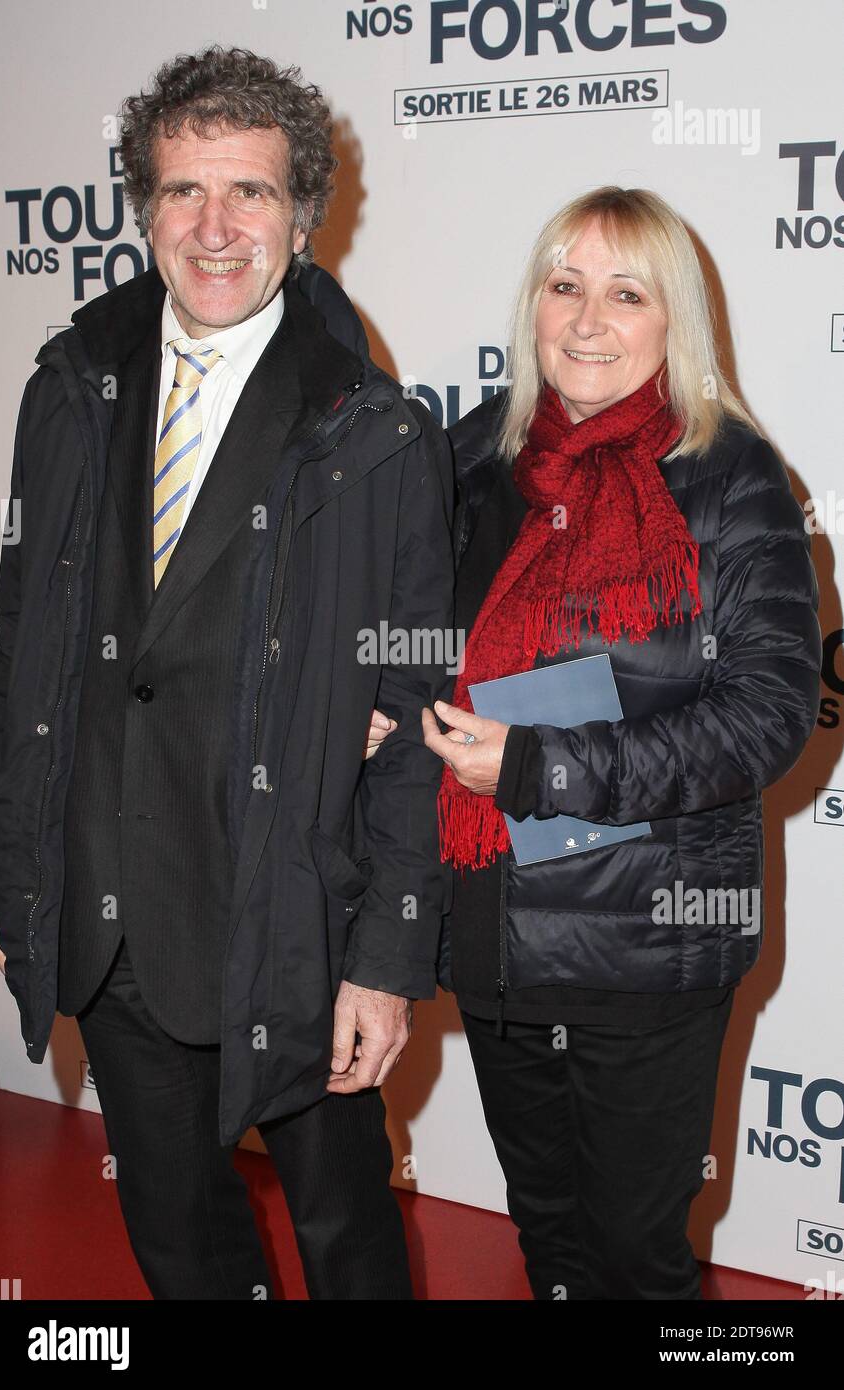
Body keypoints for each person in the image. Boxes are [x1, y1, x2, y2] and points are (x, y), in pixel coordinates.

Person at [0, 45, 454, 1300]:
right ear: (143, 209)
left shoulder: (374, 431)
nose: (214, 226)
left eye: (249, 191)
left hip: (290, 920)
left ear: (302, 216)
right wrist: (16, 858)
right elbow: (23, 637)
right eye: (183, 190)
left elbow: (414, 713)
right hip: (118, 912)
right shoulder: (69, 387)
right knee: (180, 1239)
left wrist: (387, 958)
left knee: (350, 1242)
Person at [370, 186, 821, 1300]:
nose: (585, 319)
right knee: (552, 1245)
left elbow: (765, 710)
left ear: (675, 323)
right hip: (493, 927)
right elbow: (425, 633)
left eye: (625, 294)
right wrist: (389, 703)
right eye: (563, 286)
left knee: (634, 1261)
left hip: (646, 944)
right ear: (531, 305)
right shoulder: (472, 458)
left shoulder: (729, 479)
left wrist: (541, 768)